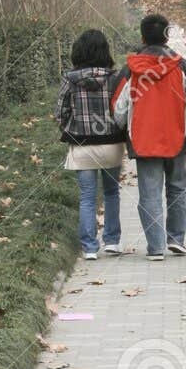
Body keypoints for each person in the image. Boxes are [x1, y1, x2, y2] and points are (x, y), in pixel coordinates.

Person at [111, 14, 186, 261]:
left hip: (143, 140)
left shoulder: (131, 69)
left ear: (142, 36)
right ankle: (176, 239)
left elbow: (118, 107)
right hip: (176, 138)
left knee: (149, 193)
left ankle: (155, 247)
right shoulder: (181, 66)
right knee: (176, 189)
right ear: (167, 36)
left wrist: (122, 130)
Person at [55, 29, 127, 260]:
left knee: (87, 197)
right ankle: (113, 241)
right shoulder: (115, 78)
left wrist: (70, 128)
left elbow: (60, 112)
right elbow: (122, 110)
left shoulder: (70, 79)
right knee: (111, 192)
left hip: (83, 145)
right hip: (112, 144)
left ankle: (89, 247)